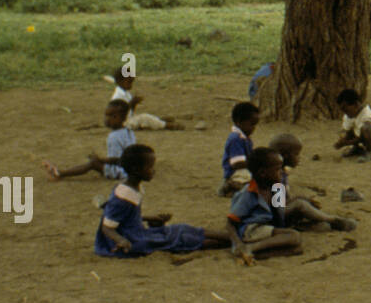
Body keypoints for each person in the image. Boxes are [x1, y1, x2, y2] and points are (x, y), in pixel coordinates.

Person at [94, 144, 232, 257]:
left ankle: (230, 238)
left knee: (182, 229)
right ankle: (231, 240)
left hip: (137, 233)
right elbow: (107, 227)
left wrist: (150, 218)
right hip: (132, 241)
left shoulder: (133, 188)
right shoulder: (122, 196)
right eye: (150, 167)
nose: (153, 171)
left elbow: (127, 218)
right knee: (180, 239)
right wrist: (121, 240)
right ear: (136, 170)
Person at [226, 148, 312, 265]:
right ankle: (249, 248)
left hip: (268, 228)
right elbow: (231, 222)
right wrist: (237, 243)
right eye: (278, 169)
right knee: (294, 236)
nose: (282, 172)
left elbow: (280, 213)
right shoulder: (249, 193)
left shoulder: (277, 187)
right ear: (263, 173)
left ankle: (255, 254)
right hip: (253, 231)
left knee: (297, 249)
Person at [267, 134, 355, 232]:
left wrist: (302, 199)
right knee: (300, 204)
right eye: (296, 154)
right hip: (271, 218)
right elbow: (278, 209)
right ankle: (334, 221)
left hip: (276, 213)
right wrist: (298, 204)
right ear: (285, 156)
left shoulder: (280, 173)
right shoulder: (276, 178)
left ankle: (312, 222)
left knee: (302, 201)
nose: (299, 158)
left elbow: (281, 201)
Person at [45, 99, 135, 182]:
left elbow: (118, 160)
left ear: (122, 118)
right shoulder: (129, 131)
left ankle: (59, 173)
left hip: (120, 172)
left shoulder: (114, 137)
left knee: (92, 164)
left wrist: (101, 160)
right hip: (131, 169)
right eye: (106, 115)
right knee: (94, 162)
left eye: (111, 116)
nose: (107, 119)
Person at [106, 67, 174, 130]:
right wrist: (130, 104)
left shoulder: (126, 94)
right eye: (129, 82)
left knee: (144, 118)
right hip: (122, 124)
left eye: (132, 82)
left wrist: (134, 104)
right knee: (144, 117)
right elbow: (118, 113)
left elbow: (130, 112)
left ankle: (157, 121)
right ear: (120, 81)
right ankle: (165, 125)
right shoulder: (117, 96)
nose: (131, 85)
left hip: (128, 120)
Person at [218, 102, 259, 195]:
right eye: (252, 124)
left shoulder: (245, 138)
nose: (254, 128)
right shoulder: (236, 139)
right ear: (239, 122)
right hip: (235, 172)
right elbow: (237, 163)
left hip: (243, 169)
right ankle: (230, 185)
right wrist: (256, 163)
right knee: (252, 181)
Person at [334, 89, 371, 160]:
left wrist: (347, 143)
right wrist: (342, 141)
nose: (345, 112)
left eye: (346, 109)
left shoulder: (367, 115)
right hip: (360, 137)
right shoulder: (349, 115)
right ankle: (356, 149)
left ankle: (368, 152)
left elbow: (362, 137)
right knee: (351, 127)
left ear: (356, 104)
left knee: (366, 128)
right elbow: (348, 131)